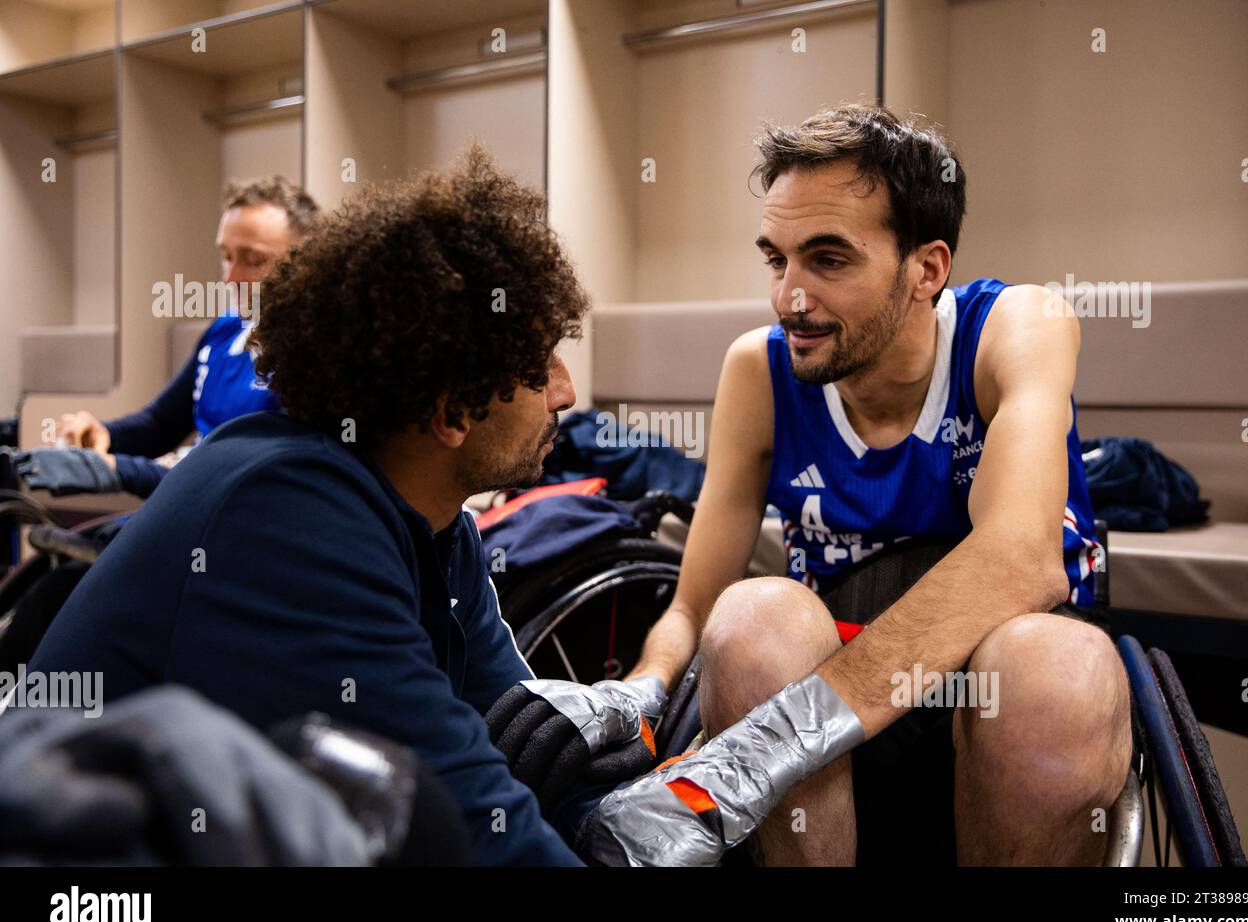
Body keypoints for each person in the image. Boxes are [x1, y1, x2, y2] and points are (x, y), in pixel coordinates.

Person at [495, 105, 1132, 867]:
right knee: (753, 615)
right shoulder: (757, 370)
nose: (788, 298)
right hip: (831, 743)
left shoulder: (1020, 325)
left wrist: (759, 751)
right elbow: (694, 604)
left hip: (997, 703)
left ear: (927, 269)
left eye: (828, 260)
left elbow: (1019, 559)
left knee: (1053, 668)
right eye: (778, 260)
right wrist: (639, 689)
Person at [28, 147, 594, 865]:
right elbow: (477, 824)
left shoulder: (437, 525)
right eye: (541, 361)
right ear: (452, 412)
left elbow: (513, 736)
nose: (567, 392)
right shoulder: (289, 518)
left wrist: (613, 809)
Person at [54, 175, 319, 499]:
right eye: (226, 256)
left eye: (254, 261)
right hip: (186, 513)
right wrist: (101, 434)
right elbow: (161, 425)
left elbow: (245, 480)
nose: (230, 277)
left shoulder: (311, 356)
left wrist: (118, 468)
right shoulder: (227, 328)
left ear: (306, 263)